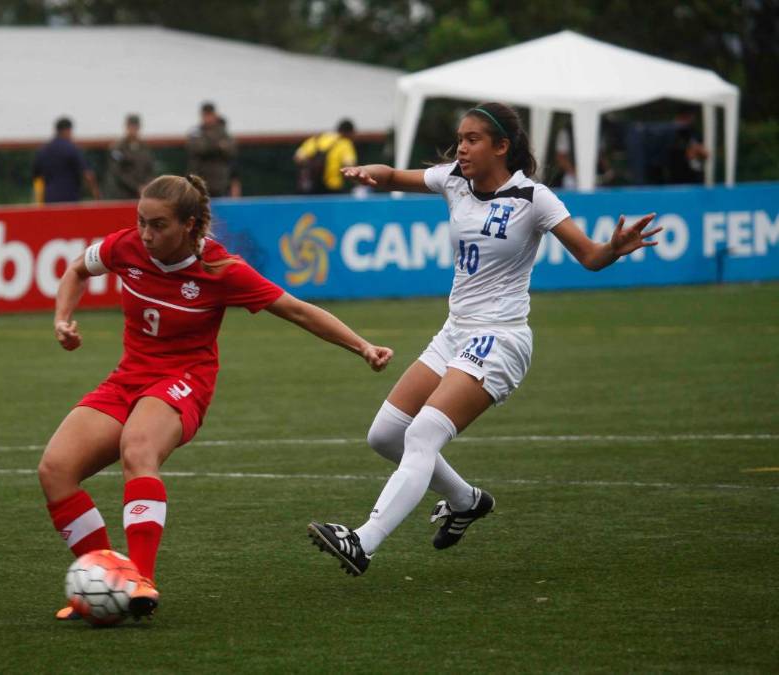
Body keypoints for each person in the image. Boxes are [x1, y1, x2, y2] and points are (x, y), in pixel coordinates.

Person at [307, 102, 660, 576]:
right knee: (385, 435)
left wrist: (614, 248)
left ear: (502, 146)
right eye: (460, 139)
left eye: (473, 139)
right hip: (456, 332)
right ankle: (466, 500)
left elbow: (591, 257)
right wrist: (372, 172)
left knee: (422, 434)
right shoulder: (455, 179)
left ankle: (363, 541)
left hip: (501, 338)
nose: (462, 148)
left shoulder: (534, 198)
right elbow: (395, 177)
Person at [40, 173, 393, 620]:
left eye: (159, 225)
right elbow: (76, 269)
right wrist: (62, 319)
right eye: (141, 222)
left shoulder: (221, 270)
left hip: (184, 380)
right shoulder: (123, 246)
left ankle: (139, 580)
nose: (146, 234)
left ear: (190, 225)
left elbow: (297, 310)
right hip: (127, 378)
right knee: (55, 470)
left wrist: (362, 345)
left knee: (139, 446)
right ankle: (107, 576)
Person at [32, 117, 100, 203]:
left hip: (49, 199)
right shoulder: (71, 148)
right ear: (68, 130)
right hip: (69, 198)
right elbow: (87, 174)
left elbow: (36, 176)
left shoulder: (43, 150)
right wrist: (96, 193)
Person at [186, 102, 240, 198]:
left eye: (210, 115)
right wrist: (218, 146)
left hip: (220, 183)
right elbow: (198, 148)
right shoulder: (196, 131)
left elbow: (230, 150)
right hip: (199, 182)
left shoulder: (224, 132)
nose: (208, 118)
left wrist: (210, 145)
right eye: (205, 115)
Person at [294, 119, 358, 194]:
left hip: (312, 186)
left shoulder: (317, 139)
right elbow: (349, 164)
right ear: (350, 132)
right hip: (333, 186)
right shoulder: (345, 143)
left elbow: (298, 158)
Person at [104, 114, 154, 200]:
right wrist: (137, 187)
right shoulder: (118, 148)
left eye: (136, 127)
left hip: (142, 194)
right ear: (126, 127)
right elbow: (117, 172)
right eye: (131, 126)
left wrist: (146, 185)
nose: (133, 130)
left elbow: (149, 168)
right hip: (122, 194)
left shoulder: (144, 147)